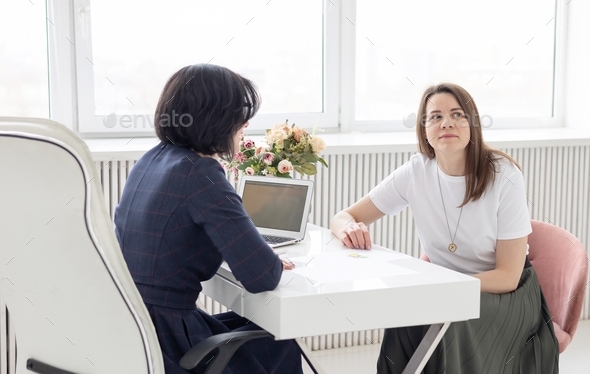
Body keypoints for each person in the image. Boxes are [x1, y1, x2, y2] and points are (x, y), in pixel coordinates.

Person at [330, 83, 558, 374]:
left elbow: (508, 277)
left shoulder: (503, 174)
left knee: (449, 323)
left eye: (457, 114)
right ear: (424, 129)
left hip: (505, 296)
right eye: (435, 116)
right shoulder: (416, 171)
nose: (447, 122)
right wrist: (348, 228)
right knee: (403, 314)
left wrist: (445, 286)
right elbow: (344, 216)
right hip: (444, 286)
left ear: (472, 124)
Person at [114, 64, 303, 374]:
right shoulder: (200, 173)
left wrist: (254, 253)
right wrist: (262, 256)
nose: (245, 124)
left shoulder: (150, 160)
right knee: (279, 340)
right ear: (218, 119)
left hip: (134, 326)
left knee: (256, 329)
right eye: (240, 116)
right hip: (170, 342)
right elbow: (262, 278)